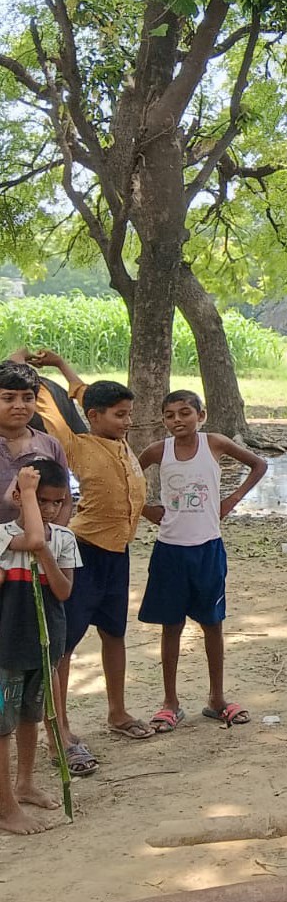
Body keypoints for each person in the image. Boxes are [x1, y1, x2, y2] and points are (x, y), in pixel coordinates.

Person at [21, 348, 153, 764]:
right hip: (84, 555)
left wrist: (61, 365)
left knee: (115, 633)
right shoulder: (76, 445)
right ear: (95, 417)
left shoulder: (121, 441)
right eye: (119, 414)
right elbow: (45, 402)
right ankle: (57, 728)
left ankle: (117, 711)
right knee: (64, 645)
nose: (127, 421)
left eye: (129, 414)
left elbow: (82, 391)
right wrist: (26, 367)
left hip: (118, 555)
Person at [136, 390, 268, 732]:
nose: (177, 420)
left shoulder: (215, 444)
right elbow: (128, 481)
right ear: (163, 420)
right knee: (171, 627)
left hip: (207, 549)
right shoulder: (157, 451)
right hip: (170, 550)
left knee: (213, 625)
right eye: (170, 415)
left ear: (201, 415)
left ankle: (217, 699)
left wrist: (232, 499)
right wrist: (147, 510)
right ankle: (170, 702)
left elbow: (259, 464)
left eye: (185, 413)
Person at [0, 459, 80, 834]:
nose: (50, 509)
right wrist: (28, 496)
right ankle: (5, 806)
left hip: (45, 643)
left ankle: (25, 782)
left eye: (57, 502)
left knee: (32, 715)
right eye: (41, 500)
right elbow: (31, 539)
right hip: (6, 647)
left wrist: (47, 553)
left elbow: (63, 591)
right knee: (3, 726)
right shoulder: (2, 537)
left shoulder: (63, 538)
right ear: (18, 497)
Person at [0, 361, 71, 529]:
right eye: (8, 398)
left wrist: (52, 539)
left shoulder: (50, 445)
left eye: (28, 398)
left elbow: (65, 501)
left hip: (38, 547)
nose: (19, 406)